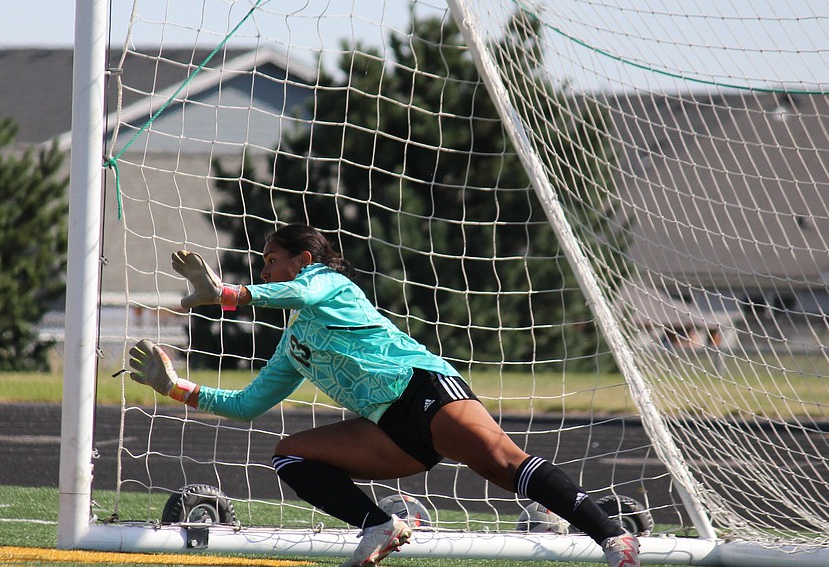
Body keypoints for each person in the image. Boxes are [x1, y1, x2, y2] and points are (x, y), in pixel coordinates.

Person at [127, 223, 640, 567]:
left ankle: (612, 537)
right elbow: (248, 405)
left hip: (423, 390)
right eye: (260, 264)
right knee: (289, 455)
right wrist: (174, 387)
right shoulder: (294, 342)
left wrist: (229, 295)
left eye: (270, 260)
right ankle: (380, 525)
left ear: (303, 260)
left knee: (505, 466)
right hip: (390, 430)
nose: (263, 270)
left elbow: (299, 292)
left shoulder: (326, 281)